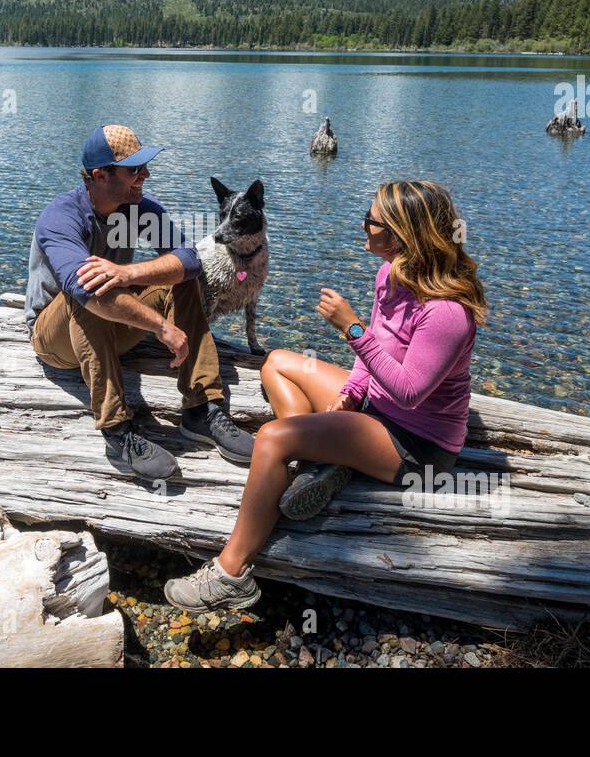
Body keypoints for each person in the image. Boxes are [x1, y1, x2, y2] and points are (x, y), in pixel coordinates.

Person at [163, 180, 488, 612]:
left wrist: (351, 329)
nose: (363, 225)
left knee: (275, 438)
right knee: (276, 362)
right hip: (375, 406)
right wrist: (352, 393)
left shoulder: (446, 311)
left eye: (371, 220)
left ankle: (231, 574)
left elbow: (409, 391)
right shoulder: (391, 272)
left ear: (401, 232)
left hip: (413, 444)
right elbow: (380, 348)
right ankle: (316, 464)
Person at [25, 124, 256, 481]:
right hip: (56, 342)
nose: (145, 174)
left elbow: (191, 260)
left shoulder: (138, 208)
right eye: (134, 169)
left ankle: (201, 408)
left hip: (111, 329)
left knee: (183, 277)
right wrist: (161, 327)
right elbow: (85, 290)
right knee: (89, 288)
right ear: (100, 175)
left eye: (144, 166)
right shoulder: (61, 217)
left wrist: (129, 274)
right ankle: (117, 429)